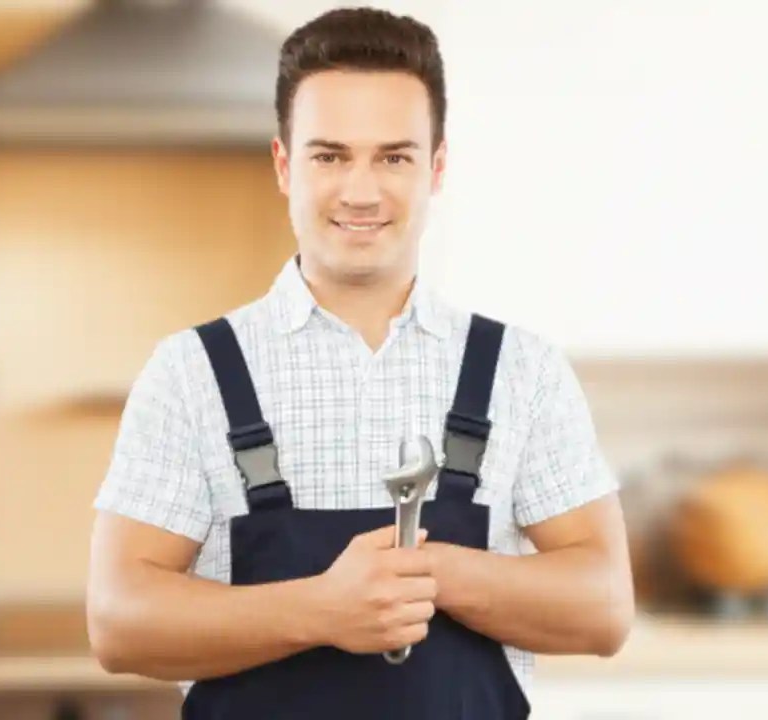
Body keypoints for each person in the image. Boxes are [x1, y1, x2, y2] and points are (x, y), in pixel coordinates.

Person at [86, 7, 633, 719]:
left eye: (394, 157)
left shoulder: (521, 372)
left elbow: (605, 608)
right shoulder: (191, 373)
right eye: (330, 155)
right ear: (285, 165)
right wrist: (322, 609)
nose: (362, 191)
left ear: (436, 168)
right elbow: (119, 620)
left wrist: (428, 574)